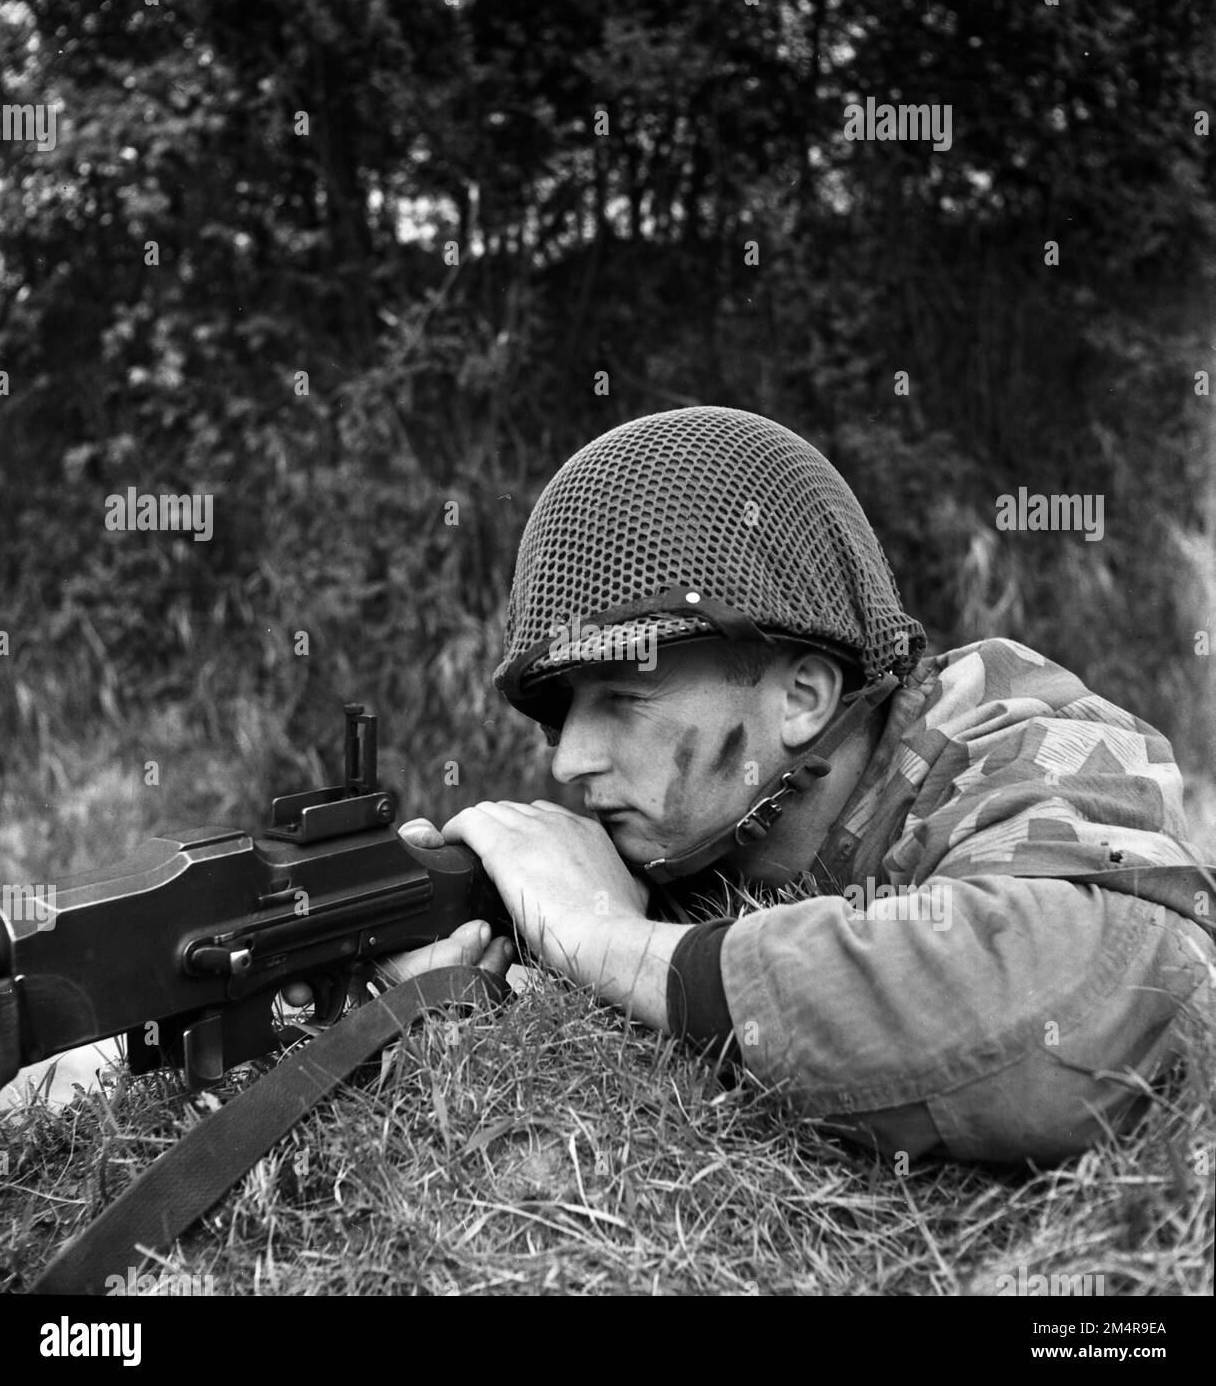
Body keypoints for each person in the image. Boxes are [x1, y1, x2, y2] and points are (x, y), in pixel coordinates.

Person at [388, 406, 1215, 1164]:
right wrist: (437, 959)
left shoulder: (1020, 739)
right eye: (563, 714)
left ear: (804, 697)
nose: (570, 761)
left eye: (623, 699)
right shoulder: (682, 833)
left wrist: (602, 939)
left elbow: (1076, 995)